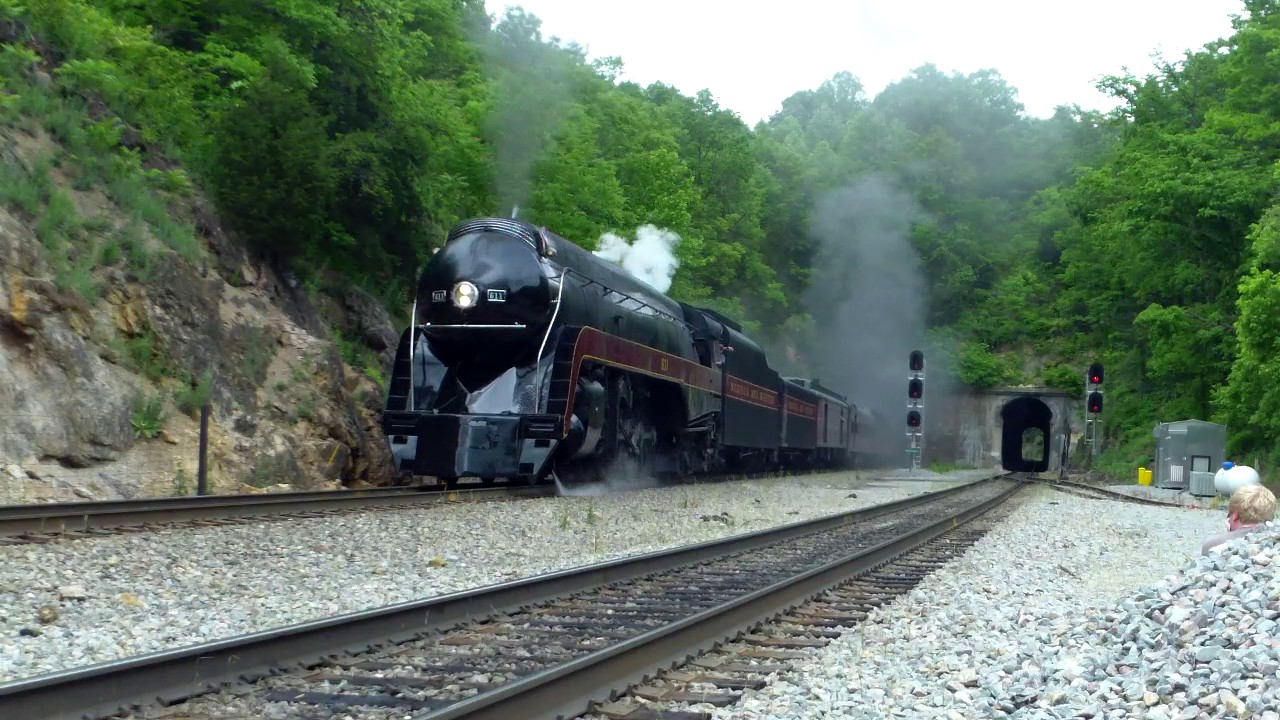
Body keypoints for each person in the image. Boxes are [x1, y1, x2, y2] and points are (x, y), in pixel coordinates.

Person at [1200, 484, 1276, 556]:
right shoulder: (1274, 541)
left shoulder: (1211, 544)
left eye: (1229, 515)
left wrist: (1231, 534)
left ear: (1235, 515)